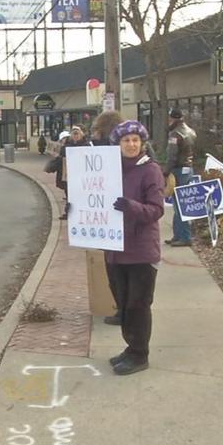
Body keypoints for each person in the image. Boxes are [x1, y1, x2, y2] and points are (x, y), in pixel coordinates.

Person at [106, 120, 165, 375]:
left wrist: (132, 207)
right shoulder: (108, 170)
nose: (131, 144)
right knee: (122, 303)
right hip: (114, 249)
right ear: (117, 144)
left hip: (140, 250)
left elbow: (157, 209)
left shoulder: (150, 170)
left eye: (135, 140)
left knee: (137, 305)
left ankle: (140, 354)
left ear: (142, 143)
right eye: (125, 140)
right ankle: (131, 347)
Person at [90, 110, 124, 326]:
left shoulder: (107, 149)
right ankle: (121, 309)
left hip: (118, 218)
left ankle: (123, 310)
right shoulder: (105, 150)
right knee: (115, 269)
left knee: (118, 270)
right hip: (113, 217)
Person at [164, 108, 197, 247]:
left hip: (178, 170)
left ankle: (183, 237)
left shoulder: (175, 134)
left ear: (173, 118)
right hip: (188, 169)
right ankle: (179, 235)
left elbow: (172, 156)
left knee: (179, 205)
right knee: (184, 203)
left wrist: (165, 172)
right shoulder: (191, 131)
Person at [59, 126, 90, 220]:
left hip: (84, 175)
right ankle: (69, 213)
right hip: (71, 175)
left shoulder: (87, 145)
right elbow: (63, 161)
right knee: (70, 195)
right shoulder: (66, 146)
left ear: (82, 134)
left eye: (77, 133)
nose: (75, 135)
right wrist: (64, 176)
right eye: (74, 133)